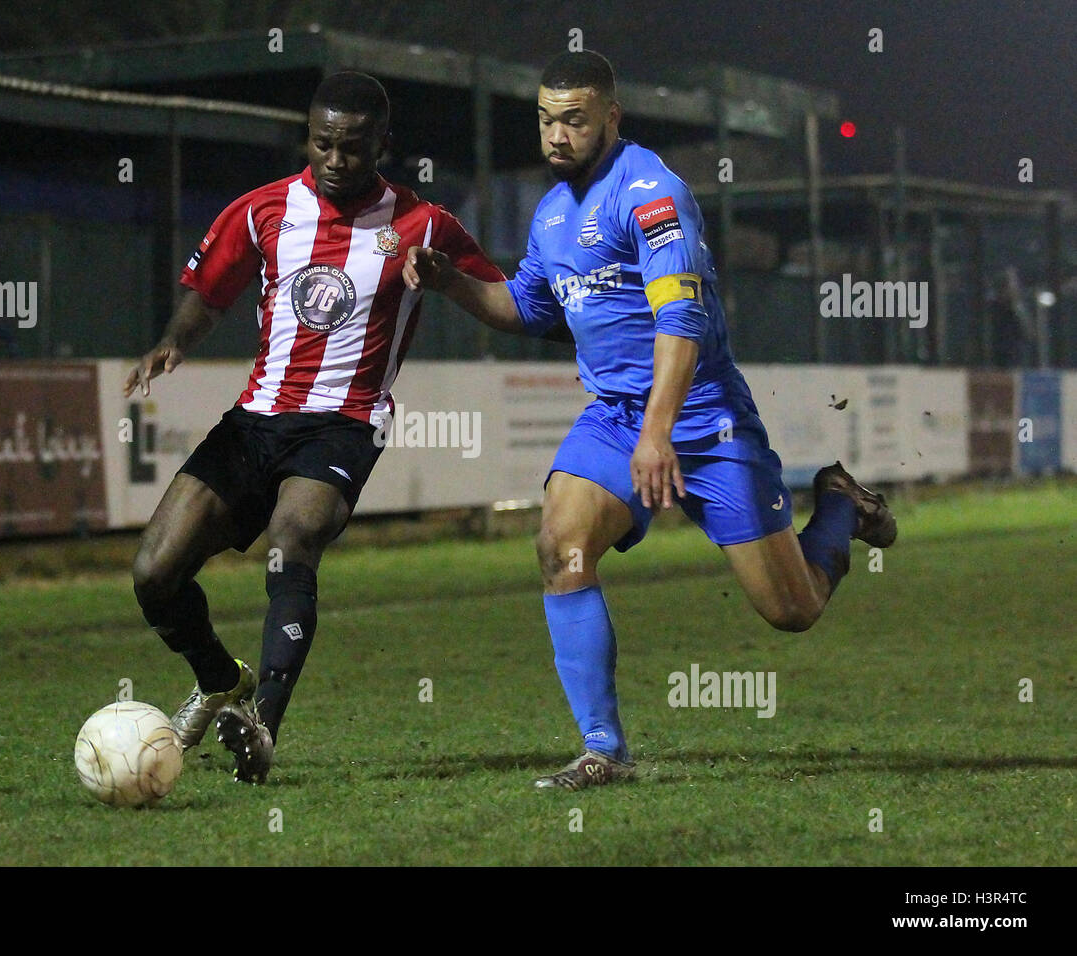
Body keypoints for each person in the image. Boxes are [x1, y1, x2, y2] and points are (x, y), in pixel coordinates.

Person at [403, 51, 897, 790]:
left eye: (574, 119)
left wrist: (660, 432)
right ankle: (603, 749)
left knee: (793, 610)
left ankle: (836, 504)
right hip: (614, 418)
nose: (557, 135)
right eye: (546, 119)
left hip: (704, 419)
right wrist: (454, 283)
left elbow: (682, 315)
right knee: (560, 544)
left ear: (611, 117)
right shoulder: (551, 215)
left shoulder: (651, 192)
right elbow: (528, 310)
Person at [125, 71, 504, 783]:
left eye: (353, 147)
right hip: (257, 419)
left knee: (294, 535)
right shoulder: (264, 210)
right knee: (154, 573)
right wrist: (173, 340)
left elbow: (501, 299)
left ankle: (262, 726)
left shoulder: (422, 224)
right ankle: (220, 680)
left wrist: (449, 277)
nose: (335, 158)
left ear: (383, 145)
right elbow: (208, 293)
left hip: (344, 423)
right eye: (323, 142)